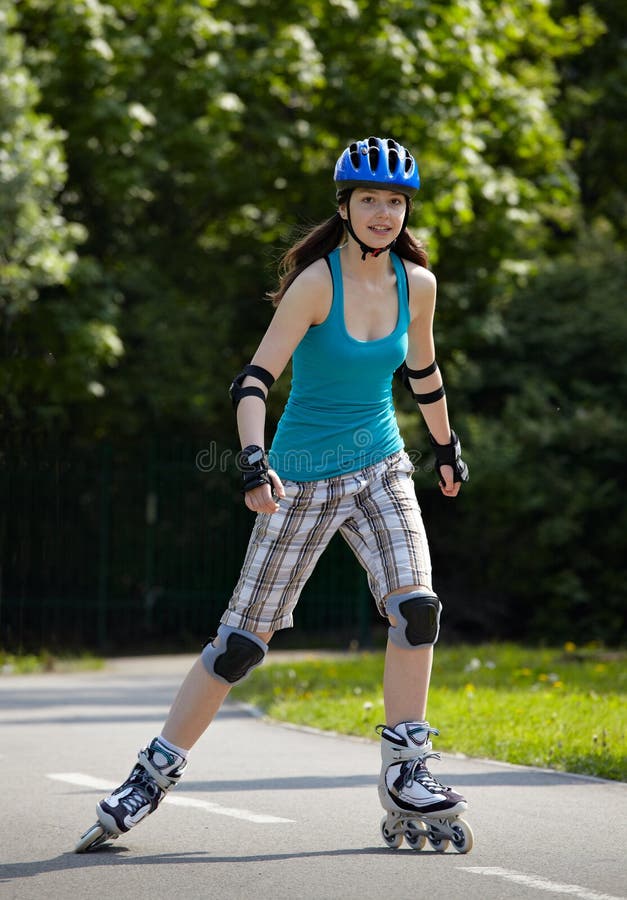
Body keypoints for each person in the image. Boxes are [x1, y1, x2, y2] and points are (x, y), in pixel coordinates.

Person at [92, 136, 470, 845]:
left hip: (382, 467)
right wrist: (254, 461)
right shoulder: (315, 284)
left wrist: (445, 447)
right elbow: (253, 381)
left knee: (416, 607)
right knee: (240, 644)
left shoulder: (416, 284)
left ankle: (406, 769)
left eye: (394, 200)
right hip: (300, 478)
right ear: (345, 206)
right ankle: (150, 774)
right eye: (369, 200)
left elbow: (423, 373)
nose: (383, 213)